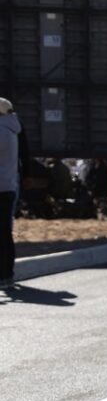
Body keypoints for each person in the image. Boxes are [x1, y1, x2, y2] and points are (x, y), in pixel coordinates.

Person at [0, 97, 20, 284]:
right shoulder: (12, 130)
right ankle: (8, 273)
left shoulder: (1, 131)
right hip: (8, 186)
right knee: (5, 231)